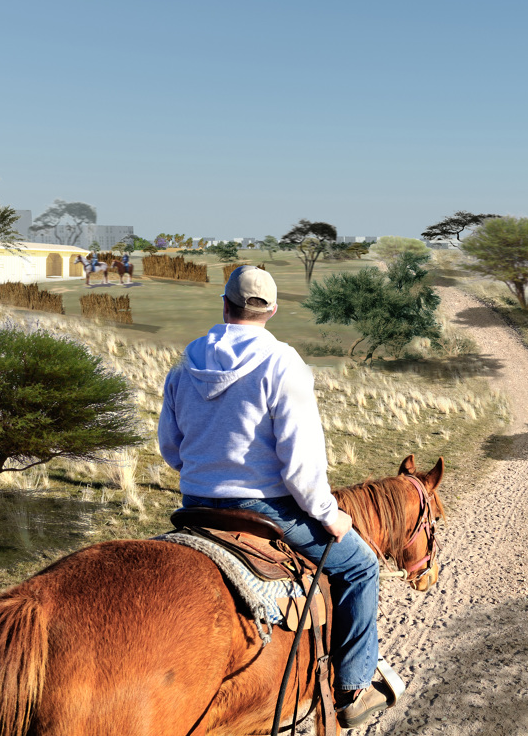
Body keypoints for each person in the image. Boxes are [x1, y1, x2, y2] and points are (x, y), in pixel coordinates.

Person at [157, 266, 388, 729]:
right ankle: (353, 688)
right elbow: (300, 464)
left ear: (224, 304)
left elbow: (170, 446)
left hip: (196, 507)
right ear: (273, 311)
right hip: (266, 511)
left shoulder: (185, 365)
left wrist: (208, 475)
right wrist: (330, 515)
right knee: (362, 566)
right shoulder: (282, 363)